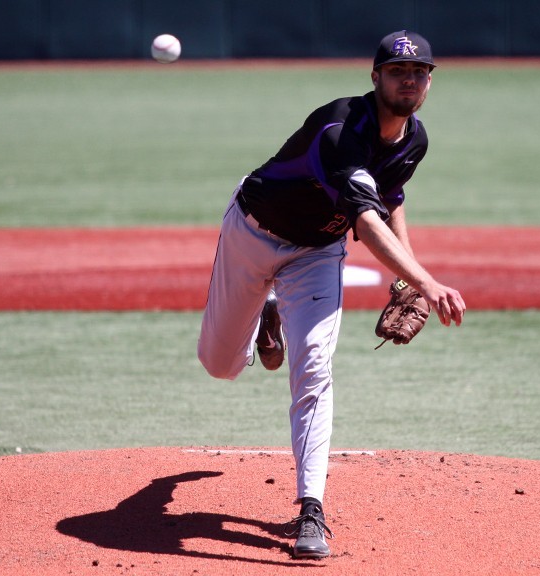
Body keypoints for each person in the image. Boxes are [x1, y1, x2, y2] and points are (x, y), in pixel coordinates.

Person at [197, 30, 466, 560]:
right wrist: (428, 282)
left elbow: (390, 199)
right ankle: (266, 316)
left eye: (419, 72)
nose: (409, 80)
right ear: (375, 77)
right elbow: (366, 223)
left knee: (314, 366)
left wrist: (406, 280)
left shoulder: (415, 139)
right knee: (220, 365)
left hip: (316, 254)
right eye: (397, 71)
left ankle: (311, 510)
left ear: (430, 80)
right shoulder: (342, 130)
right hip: (253, 234)